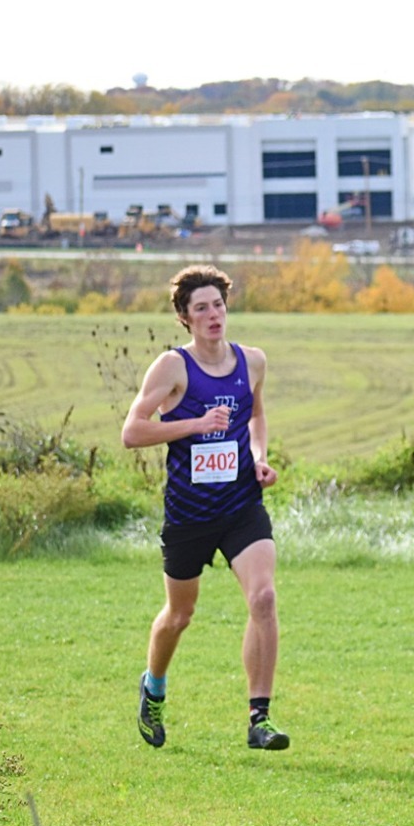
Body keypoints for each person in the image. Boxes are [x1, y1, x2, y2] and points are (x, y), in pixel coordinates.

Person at [122, 265, 288, 752]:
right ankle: (153, 688)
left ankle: (260, 719)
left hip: (240, 504)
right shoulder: (172, 368)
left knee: (263, 599)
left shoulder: (252, 361)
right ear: (184, 317)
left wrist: (259, 459)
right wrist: (193, 425)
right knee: (180, 614)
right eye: (201, 308)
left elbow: (256, 416)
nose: (213, 315)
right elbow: (133, 431)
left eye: (218, 304)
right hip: (190, 513)